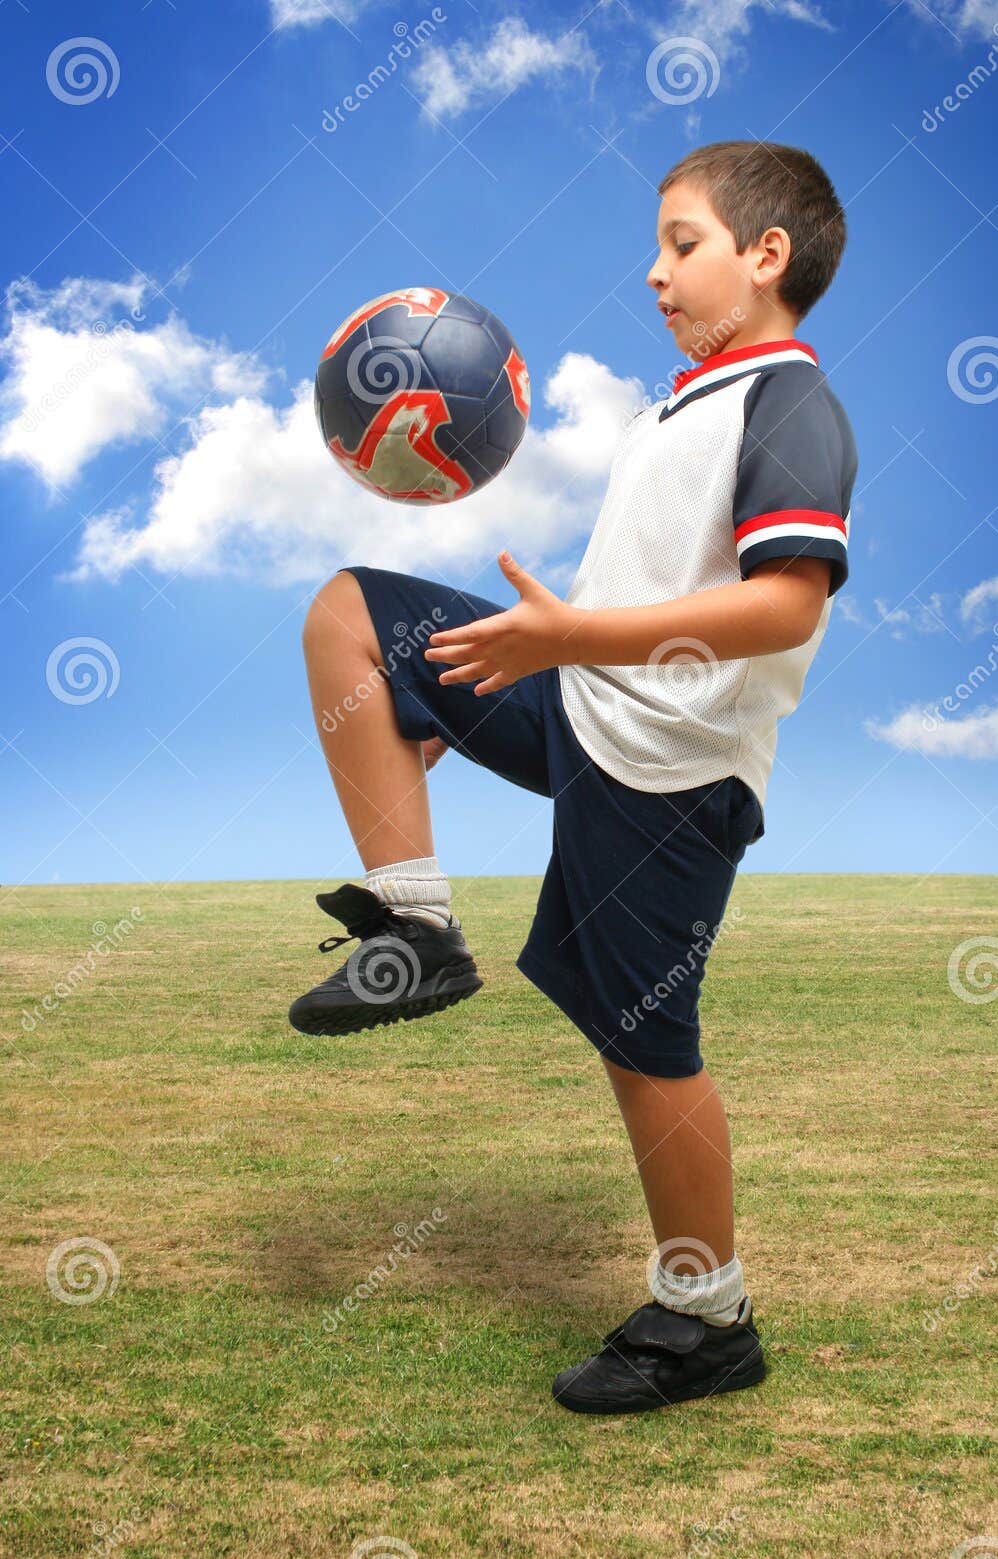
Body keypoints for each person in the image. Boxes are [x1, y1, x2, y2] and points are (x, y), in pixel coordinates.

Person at [292, 140, 858, 1415]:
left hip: (670, 769)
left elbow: (781, 605)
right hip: (579, 706)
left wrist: (557, 643)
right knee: (350, 619)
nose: (653, 271)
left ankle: (707, 1321)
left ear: (764, 258)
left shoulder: (789, 405)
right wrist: (453, 702)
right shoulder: (679, 406)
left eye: (681, 243)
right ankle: (416, 924)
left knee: (642, 1044)